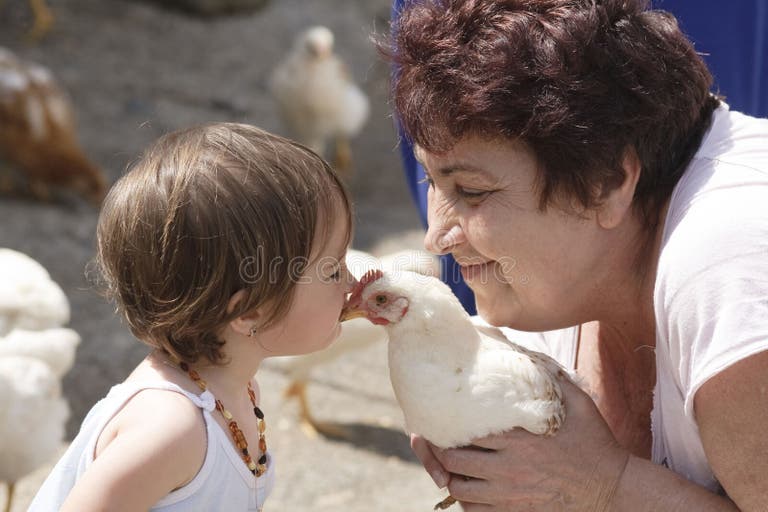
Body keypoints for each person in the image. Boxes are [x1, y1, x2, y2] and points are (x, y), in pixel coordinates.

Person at [383, 0, 768, 510]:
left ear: (606, 183)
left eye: (471, 191)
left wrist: (604, 485)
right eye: (432, 180)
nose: (437, 237)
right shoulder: (556, 270)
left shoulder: (729, 274)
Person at [28, 123, 356, 511]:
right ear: (249, 311)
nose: (351, 282)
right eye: (333, 270)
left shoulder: (234, 388)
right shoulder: (169, 430)